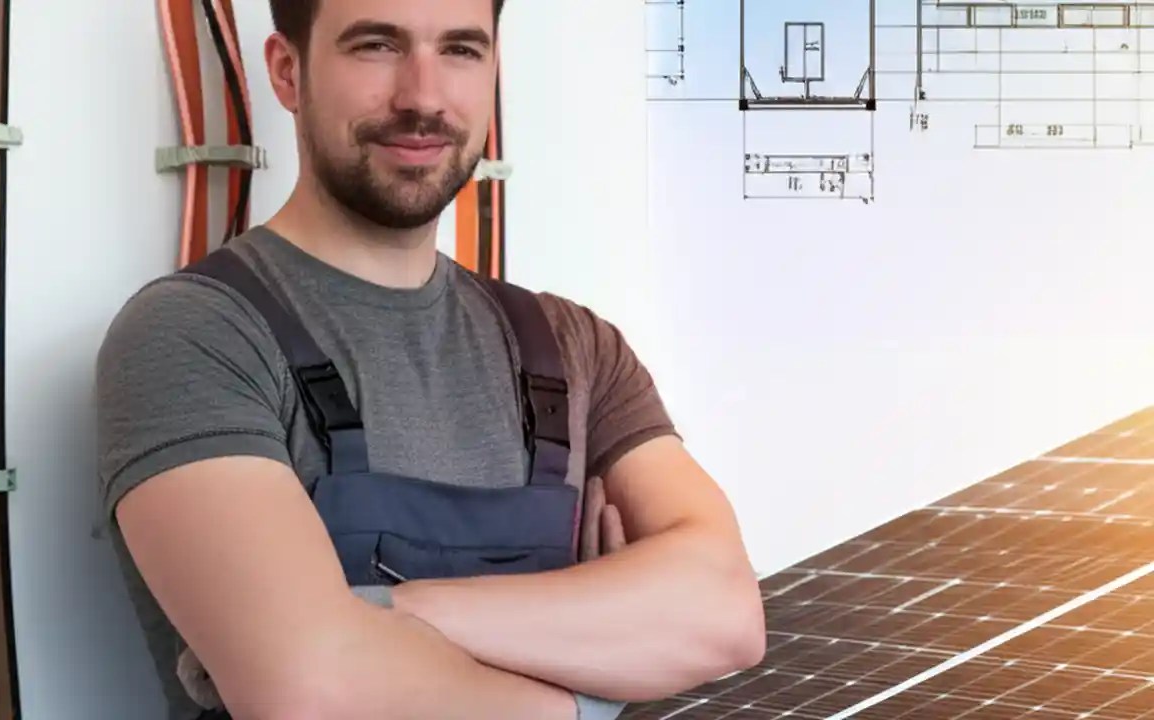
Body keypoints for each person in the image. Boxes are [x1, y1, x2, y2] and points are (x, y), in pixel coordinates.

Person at [92, 0, 767, 718]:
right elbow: (314, 692)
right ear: (288, 73)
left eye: (461, 50)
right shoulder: (195, 334)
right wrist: (592, 686)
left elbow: (723, 609)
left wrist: (385, 611)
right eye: (377, 46)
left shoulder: (575, 346)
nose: (423, 97)